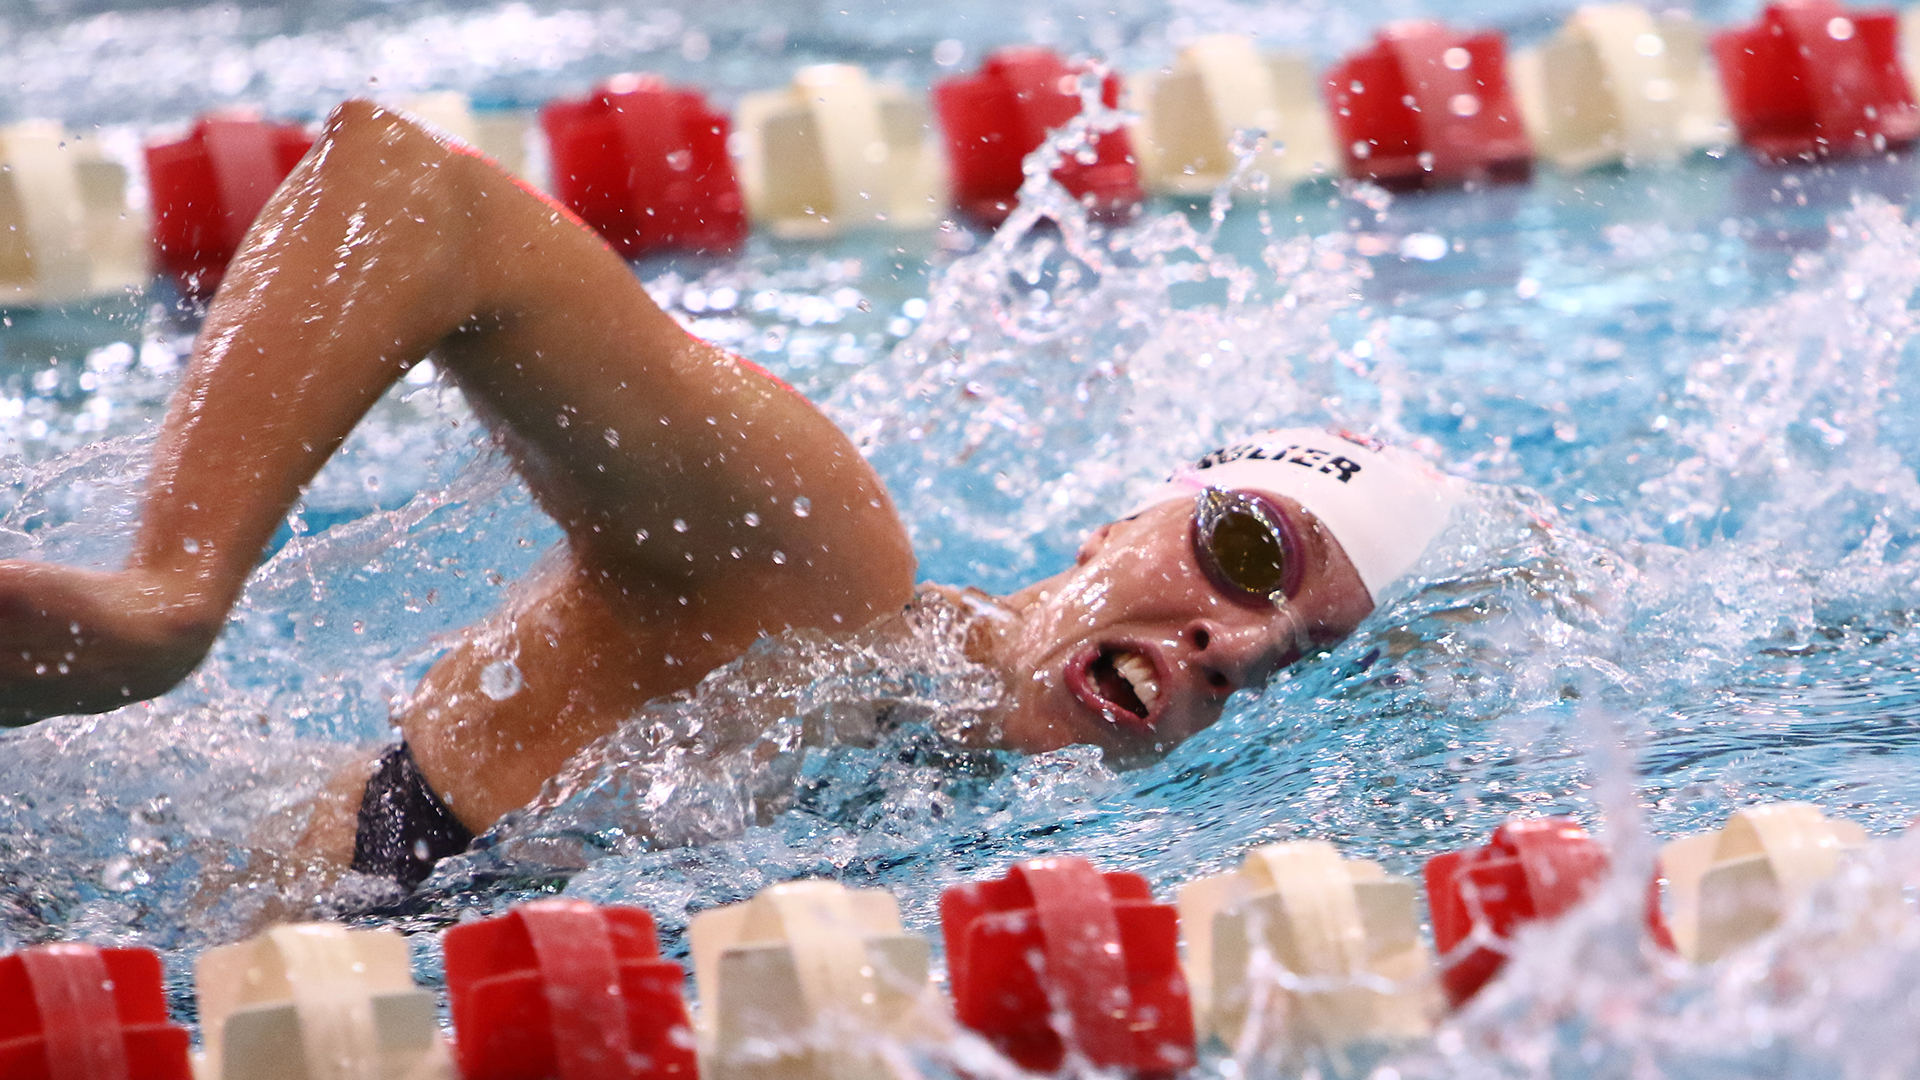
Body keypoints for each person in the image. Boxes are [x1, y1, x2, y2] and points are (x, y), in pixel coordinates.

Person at [0, 102, 1459, 887]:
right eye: (1244, 551)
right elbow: (412, 196)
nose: (1237, 641)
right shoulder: (812, 572)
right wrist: (168, 598)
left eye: (1297, 654)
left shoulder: (979, 824)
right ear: (1113, 526)